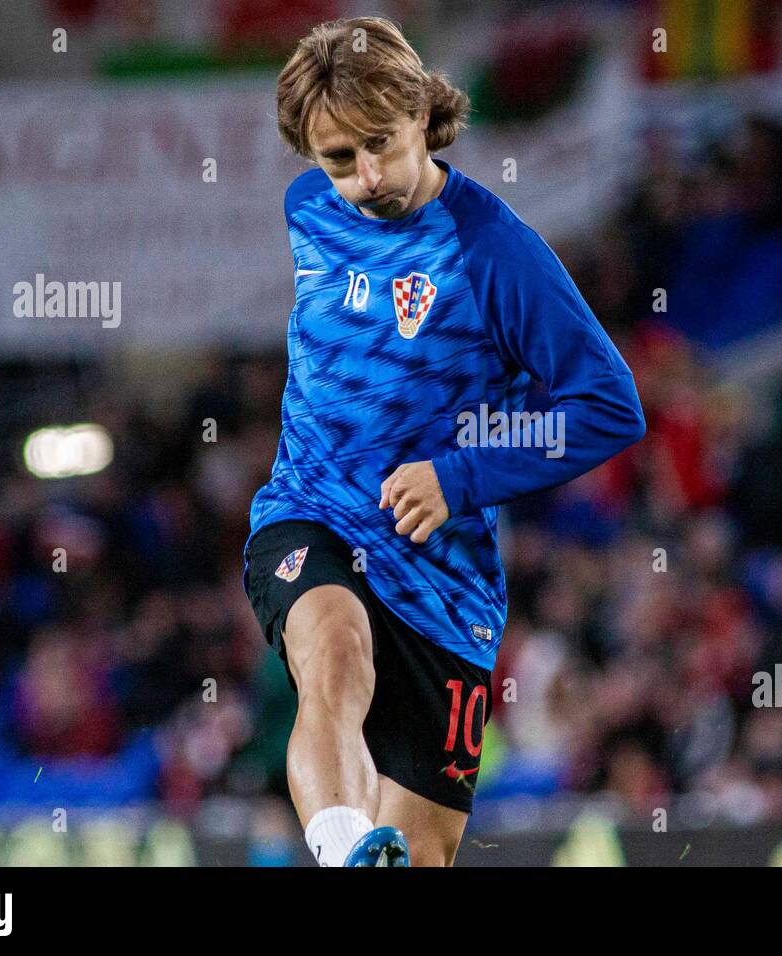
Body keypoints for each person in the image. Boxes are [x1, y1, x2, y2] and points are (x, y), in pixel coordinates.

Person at [242, 16, 645, 866]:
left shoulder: (495, 252)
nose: (364, 179)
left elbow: (608, 405)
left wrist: (461, 476)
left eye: (380, 145)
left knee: (424, 855)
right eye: (338, 159)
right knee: (333, 658)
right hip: (310, 513)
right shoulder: (307, 207)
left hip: (442, 581)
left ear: (423, 113)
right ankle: (346, 846)